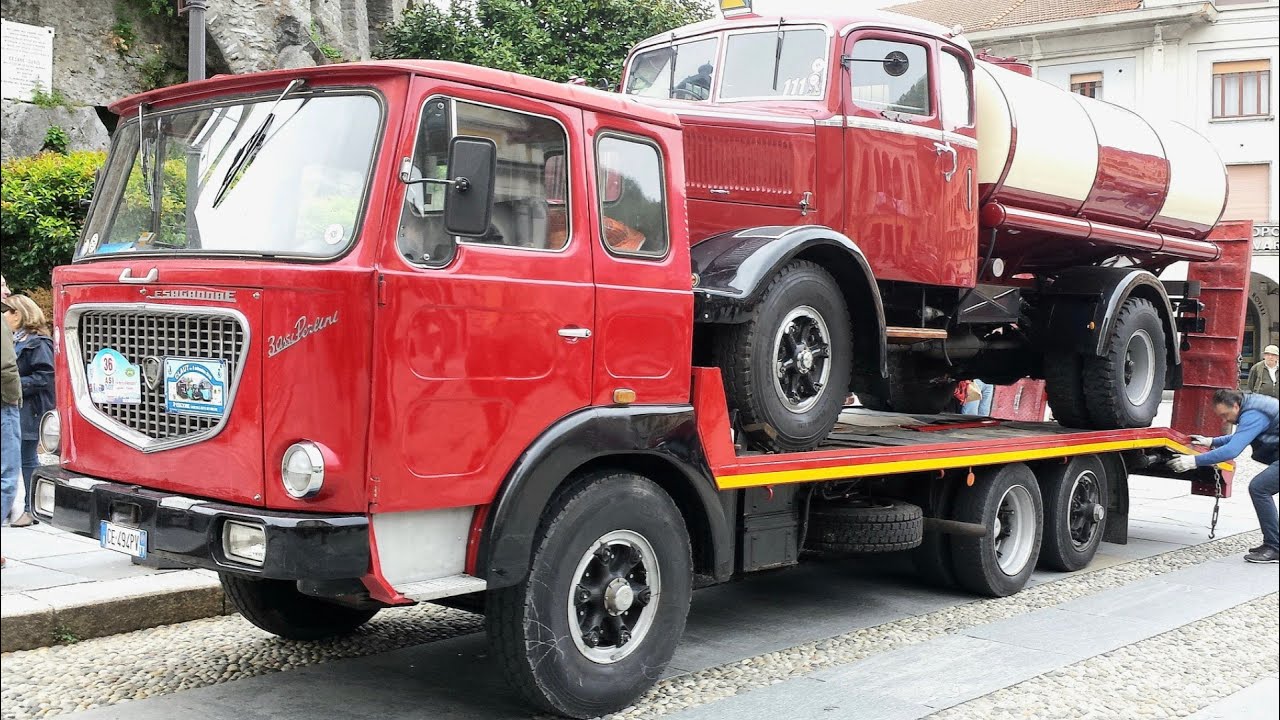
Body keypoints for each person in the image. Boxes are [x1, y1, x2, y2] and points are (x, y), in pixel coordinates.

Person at [1168, 388, 1278, 563]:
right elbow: (1242, 435)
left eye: (1226, 415)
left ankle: (1274, 547)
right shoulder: (1250, 406)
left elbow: (1232, 450)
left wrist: (1193, 461)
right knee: (1261, 488)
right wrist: (1211, 441)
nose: (1225, 420)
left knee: (1259, 488)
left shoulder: (1254, 413)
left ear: (1235, 406)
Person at [4, 294, 54, 528]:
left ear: (19, 313)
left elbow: (45, 377)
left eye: (7, 312)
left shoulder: (38, 342)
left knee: (26, 457)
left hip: (31, 407)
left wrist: (16, 384)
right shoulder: (16, 339)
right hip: (20, 404)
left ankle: (30, 507)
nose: (4, 316)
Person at [1, 310, 22, 567]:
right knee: (7, 477)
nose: (6, 290)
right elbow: (6, 365)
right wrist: (13, 398)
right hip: (2, 405)